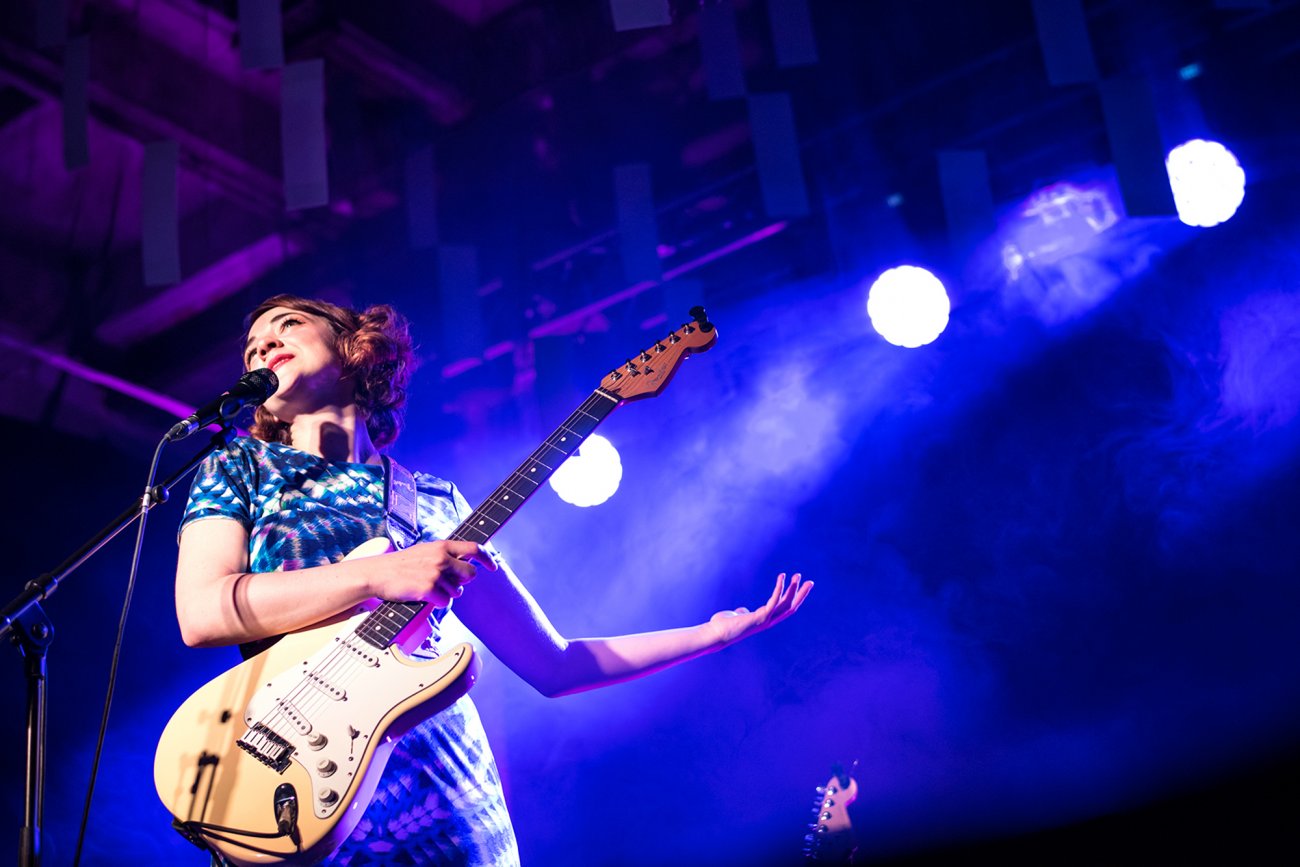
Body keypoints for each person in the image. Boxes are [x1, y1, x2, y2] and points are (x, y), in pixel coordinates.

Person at [174, 294, 812, 865]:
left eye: (286, 325)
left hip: (446, 798)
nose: (263, 345)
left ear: (353, 348)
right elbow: (204, 613)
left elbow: (555, 665)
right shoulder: (237, 467)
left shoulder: (434, 503)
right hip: (288, 778)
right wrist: (379, 573)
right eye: (253, 345)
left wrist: (714, 633)